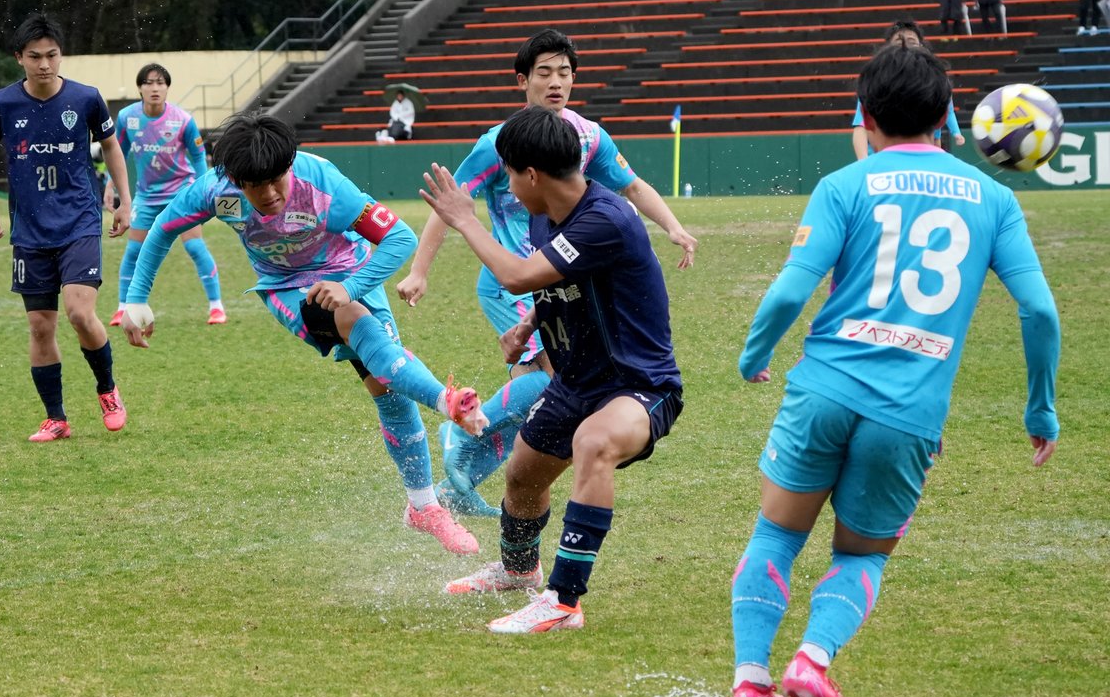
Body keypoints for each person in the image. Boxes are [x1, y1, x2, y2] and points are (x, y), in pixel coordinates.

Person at [727, 43, 1060, 697]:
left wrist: (753, 354)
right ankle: (811, 661)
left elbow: (791, 292)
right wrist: (1041, 409)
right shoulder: (995, 200)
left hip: (823, 388)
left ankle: (750, 686)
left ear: (867, 117)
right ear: (946, 116)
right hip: (909, 412)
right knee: (862, 555)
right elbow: (1041, 311)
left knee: (777, 536)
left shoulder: (845, 185)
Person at [118, 112, 487, 555]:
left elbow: (400, 238)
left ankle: (423, 508)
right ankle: (447, 402)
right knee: (355, 324)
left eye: (278, 179)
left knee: (387, 388)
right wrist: (136, 299)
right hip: (286, 288)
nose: (271, 194)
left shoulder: (325, 186)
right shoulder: (216, 191)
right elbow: (162, 230)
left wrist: (350, 284)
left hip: (352, 276)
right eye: (258, 186)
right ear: (236, 179)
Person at [396, 28, 698, 519]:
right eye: (544, 73)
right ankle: (466, 427)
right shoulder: (501, 142)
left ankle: (463, 478)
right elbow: (451, 204)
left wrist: (674, 227)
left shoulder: (588, 135)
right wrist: (420, 271)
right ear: (523, 81)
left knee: (541, 408)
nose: (556, 82)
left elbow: (631, 185)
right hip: (512, 279)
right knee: (560, 383)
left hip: (557, 285)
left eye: (565, 73)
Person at [422, 106, 684, 633]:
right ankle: (519, 573)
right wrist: (530, 325)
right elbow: (567, 279)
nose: (510, 189)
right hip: (576, 380)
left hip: (639, 385)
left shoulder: (603, 218)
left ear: (532, 174)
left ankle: (563, 602)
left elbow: (518, 276)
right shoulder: (549, 213)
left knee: (594, 443)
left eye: (511, 176)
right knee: (522, 476)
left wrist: (466, 219)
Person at [0, 13, 133, 442]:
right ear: (19, 59)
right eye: (35, 57)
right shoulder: (2, 104)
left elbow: (111, 146)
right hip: (28, 230)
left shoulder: (86, 98)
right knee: (41, 326)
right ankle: (56, 418)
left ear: (61, 55)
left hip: (79, 221)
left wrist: (123, 200)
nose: (45, 64)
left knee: (80, 313)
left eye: (52, 55)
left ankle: (107, 389)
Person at [108, 63, 226, 327]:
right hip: (146, 197)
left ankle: (216, 307)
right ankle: (122, 308)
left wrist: (204, 189)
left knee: (194, 246)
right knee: (133, 252)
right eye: (149, 83)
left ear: (167, 87)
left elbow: (198, 157)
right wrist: (109, 185)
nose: (155, 88)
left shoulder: (183, 120)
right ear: (139, 87)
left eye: (160, 83)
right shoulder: (128, 117)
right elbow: (116, 152)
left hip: (181, 194)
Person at [851, 20, 964, 160]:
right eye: (899, 42)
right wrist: (864, 164)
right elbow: (860, 128)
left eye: (912, 41)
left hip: (923, 163)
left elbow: (937, 133)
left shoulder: (934, 82)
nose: (905, 47)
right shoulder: (877, 83)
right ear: (887, 48)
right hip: (882, 164)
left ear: (922, 46)